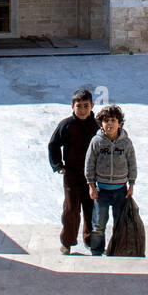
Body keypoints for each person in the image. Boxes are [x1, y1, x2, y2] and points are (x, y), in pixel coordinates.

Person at [48, 88, 98, 255]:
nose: (82, 110)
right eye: (79, 106)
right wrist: (58, 165)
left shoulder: (97, 124)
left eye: (86, 106)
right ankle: (67, 241)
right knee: (71, 209)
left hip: (92, 176)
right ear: (72, 106)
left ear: (92, 105)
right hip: (72, 175)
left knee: (91, 209)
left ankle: (91, 241)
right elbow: (54, 144)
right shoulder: (67, 125)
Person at [84, 105, 137, 256]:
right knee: (98, 224)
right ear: (101, 124)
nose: (110, 124)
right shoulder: (97, 142)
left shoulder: (126, 143)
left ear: (120, 123)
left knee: (119, 224)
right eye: (106, 121)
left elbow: (132, 163)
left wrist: (131, 183)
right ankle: (96, 250)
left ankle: (116, 250)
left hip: (120, 189)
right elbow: (89, 163)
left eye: (113, 120)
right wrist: (91, 185)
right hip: (102, 190)